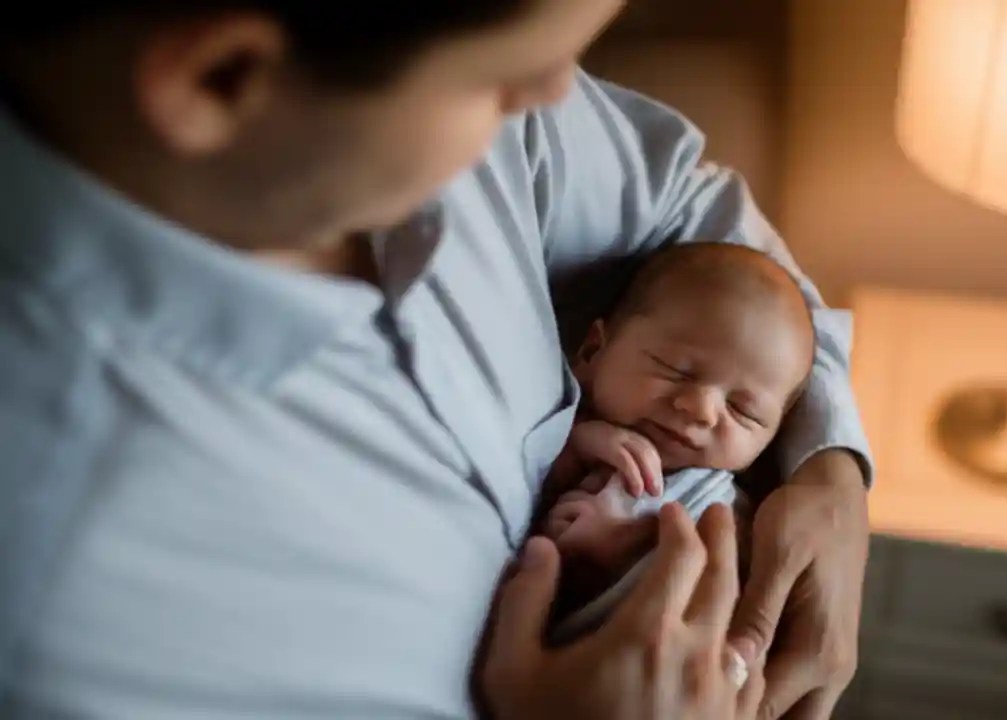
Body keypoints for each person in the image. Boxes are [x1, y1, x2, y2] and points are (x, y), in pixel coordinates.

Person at [0, 2, 872, 718]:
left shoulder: (451, 117)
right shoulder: (68, 611)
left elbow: (692, 204)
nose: (559, 94)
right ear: (221, 78)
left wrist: (828, 466)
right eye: (502, 75)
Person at [537, 244, 814, 642]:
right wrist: (572, 441)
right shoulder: (552, 416)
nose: (702, 410)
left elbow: (715, 600)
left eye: (742, 410)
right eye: (675, 370)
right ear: (593, 349)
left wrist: (623, 549)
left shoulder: (721, 508)